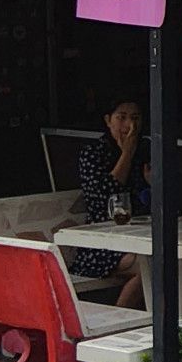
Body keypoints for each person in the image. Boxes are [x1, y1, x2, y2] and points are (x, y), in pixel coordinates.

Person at [69, 98, 148, 306]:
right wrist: (127, 153)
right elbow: (108, 195)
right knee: (152, 267)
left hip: (143, 235)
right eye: (122, 118)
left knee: (166, 261)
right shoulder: (93, 152)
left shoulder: (147, 149)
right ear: (108, 120)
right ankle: (118, 327)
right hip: (102, 245)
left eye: (135, 118)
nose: (129, 126)